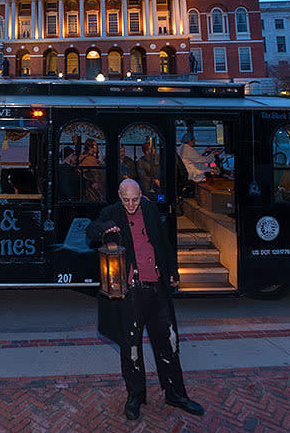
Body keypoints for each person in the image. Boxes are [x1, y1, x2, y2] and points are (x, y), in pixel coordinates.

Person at [86, 179, 204, 420]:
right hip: (130, 290)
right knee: (131, 347)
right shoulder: (111, 212)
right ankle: (135, 396)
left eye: (135, 199)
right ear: (120, 195)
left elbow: (163, 243)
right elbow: (90, 231)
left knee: (168, 342)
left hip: (157, 286)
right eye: (126, 199)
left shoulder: (150, 209)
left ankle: (175, 393)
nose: (131, 204)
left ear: (141, 195)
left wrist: (173, 270)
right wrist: (106, 227)